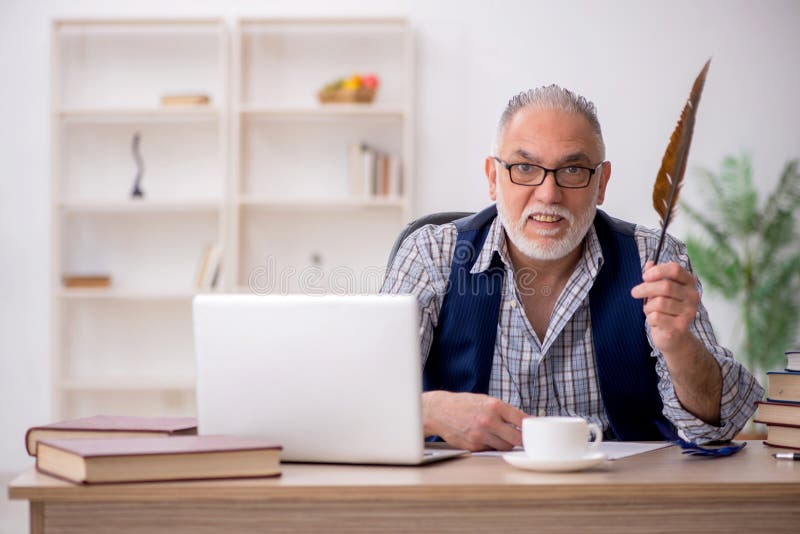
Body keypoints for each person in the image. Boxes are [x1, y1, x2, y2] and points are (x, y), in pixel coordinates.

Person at [381, 85, 763, 452]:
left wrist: (680, 347)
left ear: (601, 183)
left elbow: (720, 423)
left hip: (619, 499)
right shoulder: (432, 254)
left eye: (573, 171)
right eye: (525, 167)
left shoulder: (654, 259)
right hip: (467, 499)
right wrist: (430, 412)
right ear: (493, 178)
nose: (548, 194)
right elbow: (362, 398)